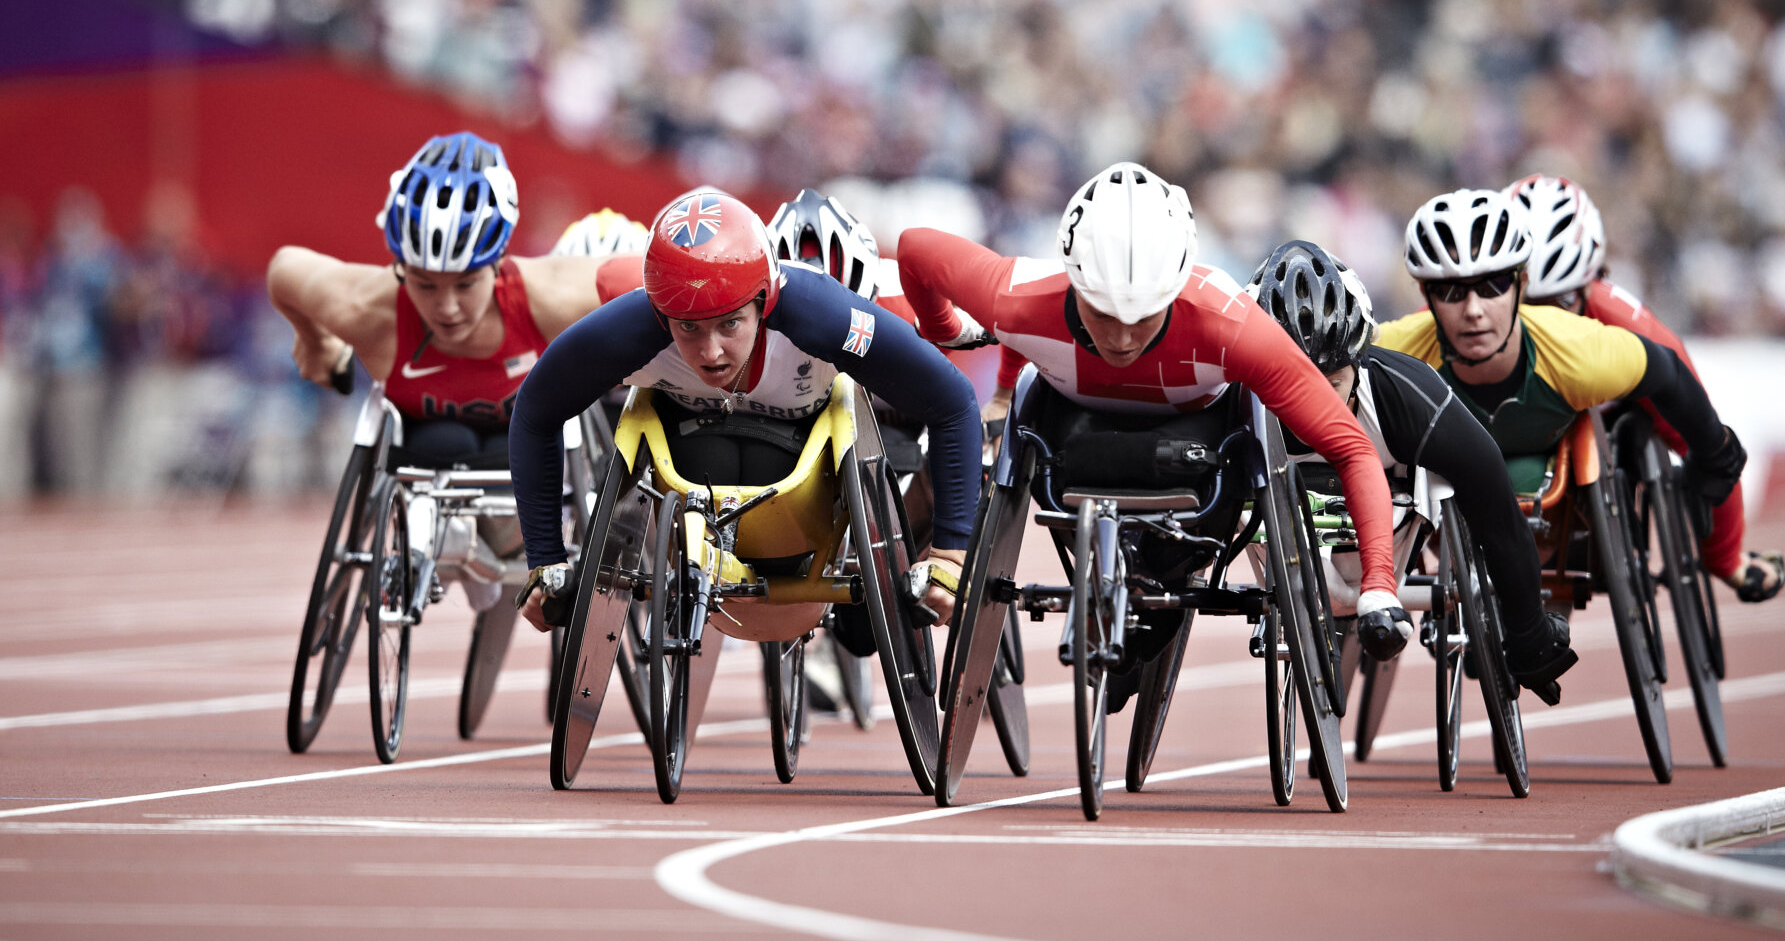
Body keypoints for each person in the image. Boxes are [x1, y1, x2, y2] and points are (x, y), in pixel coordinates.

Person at [897, 161, 1411, 695]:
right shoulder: (1018, 295)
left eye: (1143, 316)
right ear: (1075, 280)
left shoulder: (1232, 323)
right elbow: (914, 249)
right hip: (1073, 431)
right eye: (1103, 314)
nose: (1122, 339)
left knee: (1142, 641)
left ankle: (1153, 591)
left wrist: (1379, 583)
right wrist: (946, 329)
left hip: (1197, 447)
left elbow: (1351, 448)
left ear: (1177, 284)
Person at [509, 190, 983, 634]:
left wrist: (949, 556)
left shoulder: (820, 313)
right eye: (688, 328)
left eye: (730, 323)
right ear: (659, 312)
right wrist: (545, 560)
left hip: (805, 490)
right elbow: (534, 411)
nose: (710, 352)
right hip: (691, 472)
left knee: (861, 634)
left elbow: (953, 402)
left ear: (764, 301)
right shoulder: (630, 326)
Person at [265, 133, 612, 605]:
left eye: (466, 284)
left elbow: (652, 278)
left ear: (498, 262)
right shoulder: (366, 308)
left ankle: (488, 550)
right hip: (427, 451)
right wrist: (316, 342)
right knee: (447, 443)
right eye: (425, 285)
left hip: (523, 453)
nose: (446, 307)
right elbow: (283, 270)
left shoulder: (551, 295)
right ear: (401, 269)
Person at [1379, 187, 1749, 601]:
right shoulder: (1403, 342)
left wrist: (1725, 551)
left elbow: (1678, 390)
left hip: (1555, 446)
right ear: (1428, 296)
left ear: (1519, 285)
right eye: (1450, 291)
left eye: (1494, 286)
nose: (1474, 311)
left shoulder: (1585, 344)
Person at [1248, 240, 1577, 702]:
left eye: (1332, 381)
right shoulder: (1233, 395)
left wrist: (1528, 632)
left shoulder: (1405, 393)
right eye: (1293, 381)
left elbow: (1494, 498)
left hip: (1397, 520)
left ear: (1358, 359)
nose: (1313, 402)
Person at [1507, 174, 1783, 602]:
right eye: (1528, 306)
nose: (1547, 324)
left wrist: (1726, 560)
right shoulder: (1466, 311)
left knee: (1709, 445)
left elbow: (1704, 430)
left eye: (1560, 303)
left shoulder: (1622, 317)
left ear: (1592, 279)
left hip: (1604, 410)